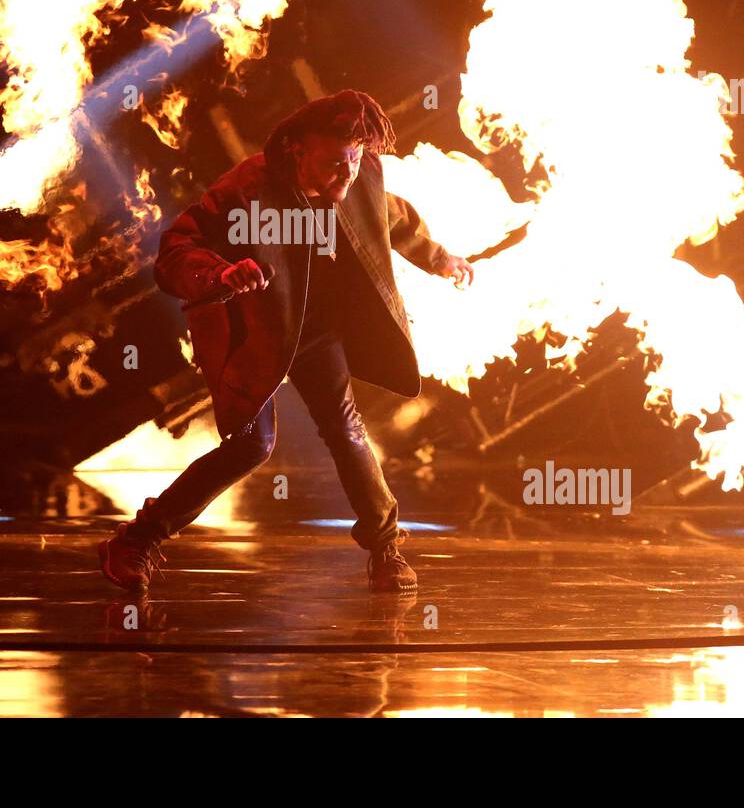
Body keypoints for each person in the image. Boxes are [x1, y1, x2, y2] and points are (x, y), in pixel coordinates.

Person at [98, 90, 473, 592]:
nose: (347, 176)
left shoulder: (361, 178)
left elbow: (394, 217)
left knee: (346, 429)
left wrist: (439, 258)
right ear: (298, 151)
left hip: (318, 329)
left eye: (356, 162)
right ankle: (137, 540)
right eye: (335, 164)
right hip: (255, 327)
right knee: (252, 446)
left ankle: (387, 551)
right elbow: (176, 250)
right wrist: (222, 272)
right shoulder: (246, 189)